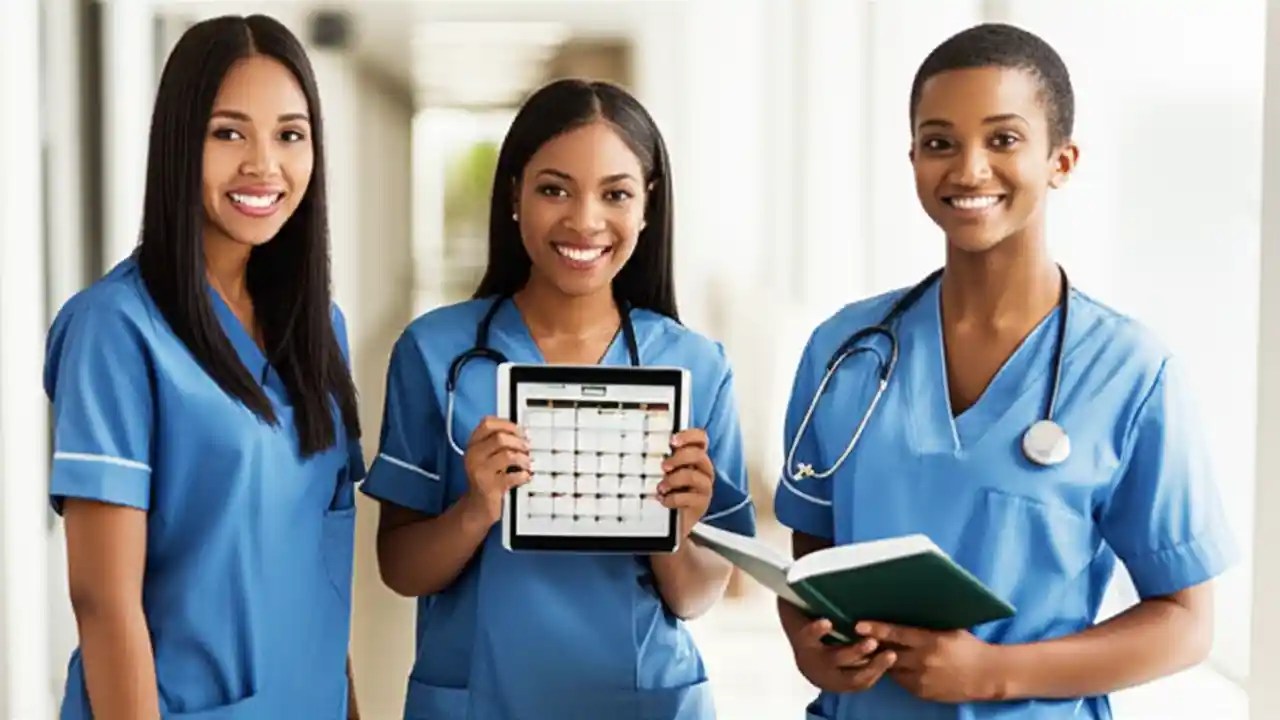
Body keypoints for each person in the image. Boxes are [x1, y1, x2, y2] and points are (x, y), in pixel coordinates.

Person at [773, 22, 1237, 720]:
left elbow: (1185, 621)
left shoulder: (1129, 371)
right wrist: (809, 645)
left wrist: (994, 673)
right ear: (912, 160)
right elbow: (811, 548)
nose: (967, 169)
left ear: (1063, 160)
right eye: (939, 143)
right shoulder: (846, 350)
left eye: (1003, 139)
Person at [362, 78, 756, 719]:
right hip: (479, 698)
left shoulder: (697, 367)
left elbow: (695, 598)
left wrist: (673, 526)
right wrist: (476, 509)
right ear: (514, 193)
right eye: (554, 189)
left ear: (648, 206)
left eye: (616, 194)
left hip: (643, 701)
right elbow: (401, 570)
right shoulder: (435, 352)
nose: (584, 220)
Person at [44, 15, 364, 719]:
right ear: (178, 145)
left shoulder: (319, 330)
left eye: (289, 134)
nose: (263, 165)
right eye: (228, 133)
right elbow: (103, 601)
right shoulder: (117, 331)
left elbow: (315, 574)